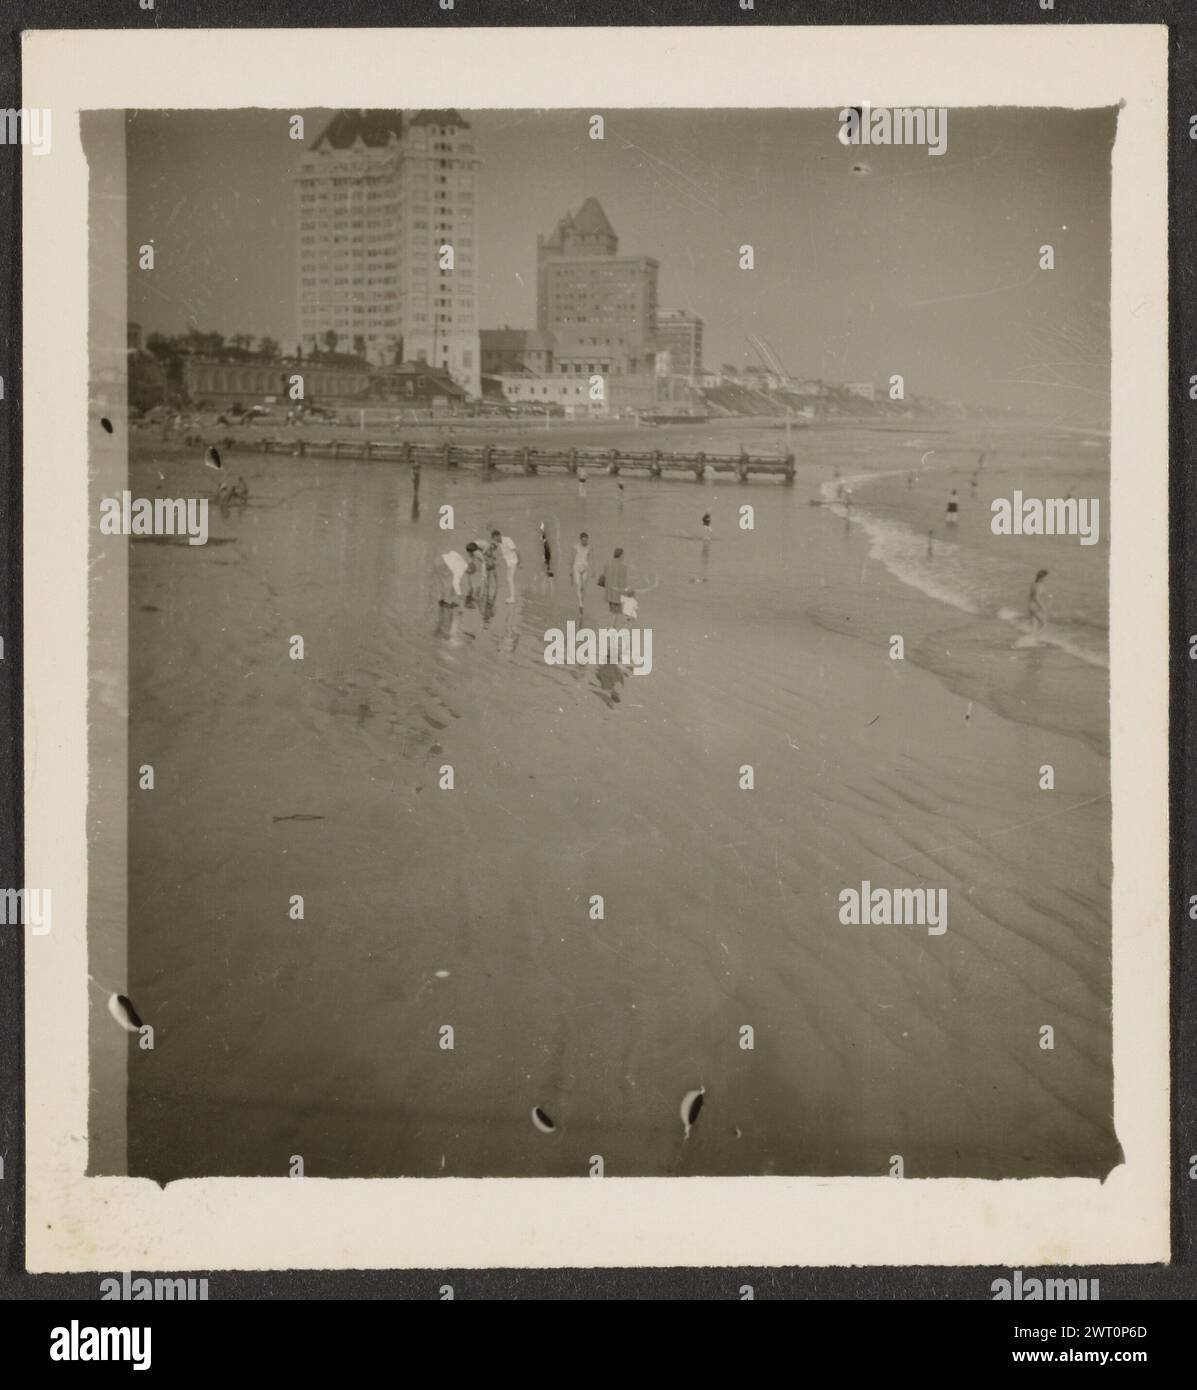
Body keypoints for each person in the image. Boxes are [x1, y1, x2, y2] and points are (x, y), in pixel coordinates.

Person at [490, 528, 520, 603]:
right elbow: (505, 554)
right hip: (509, 562)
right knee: (509, 579)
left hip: (513, 561)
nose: (495, 540)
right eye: (494, 539)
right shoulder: (500, 543)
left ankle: (512, 598)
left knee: (510, 579)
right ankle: (512, 597)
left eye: (495, 538)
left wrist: (520, 561)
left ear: (499, 535)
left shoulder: (507, 540)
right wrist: (498, 559)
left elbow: (516, 550)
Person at [599, 547, 628, 616]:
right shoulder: (623, 566)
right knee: (617, 612)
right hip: (617, 592)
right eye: (623, 555)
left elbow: (604, 575)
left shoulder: (607, 563)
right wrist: (625, 592)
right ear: (621, 555)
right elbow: (623, 580)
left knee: (612, 610)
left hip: (609, 592)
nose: (624, 556)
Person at [572, 532, 591, 611]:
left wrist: (593, 569)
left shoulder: (589, 547)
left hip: (585, 568)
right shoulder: (575, 547)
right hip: (577, 567)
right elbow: (572, 558)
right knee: (579, 586)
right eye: (583, 540)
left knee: (583, 587)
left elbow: (591, 558)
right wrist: (570, 571)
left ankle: (582, 599)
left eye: (586, 540)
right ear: (580, 540)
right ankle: (580, 604)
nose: (584, 541)